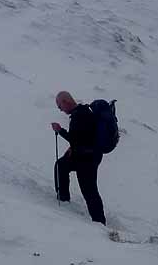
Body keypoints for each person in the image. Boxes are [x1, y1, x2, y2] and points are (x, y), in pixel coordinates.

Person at [51, 91, 106, 224]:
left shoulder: (80, 115)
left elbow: (75, 139)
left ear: (66, 102)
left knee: (89, 190)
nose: (60, 109)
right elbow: (82, 138)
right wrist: (73, 147)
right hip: (88, 155)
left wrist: (59, 130)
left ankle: (99, 222)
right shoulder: (82, 112)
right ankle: (63, 200)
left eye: (59, 106)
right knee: (61, 165)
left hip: (87, 158)